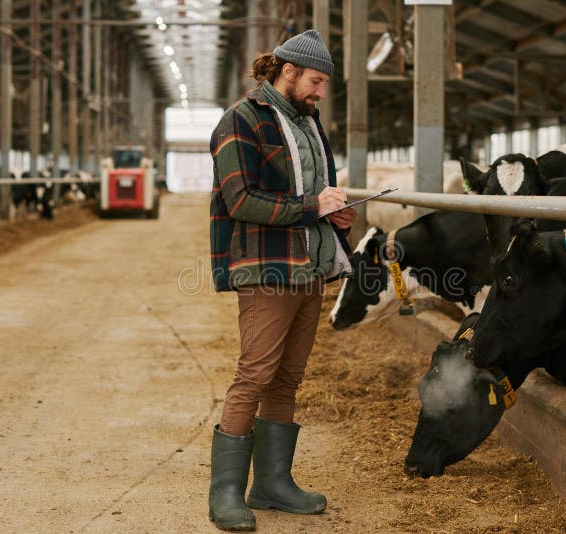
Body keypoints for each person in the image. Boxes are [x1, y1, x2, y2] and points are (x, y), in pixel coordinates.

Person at [208, 29, 355, 531]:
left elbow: (316, 192)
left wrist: (336, 214)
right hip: (267, 267)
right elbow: (240, 200)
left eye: (324, 84)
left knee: (288, 378)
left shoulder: (308, 123)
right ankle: (226, 493)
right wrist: (312, 206)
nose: (321, 93)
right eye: (315, 81)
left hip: (309, 265)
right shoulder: (241, 119)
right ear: (287, 72)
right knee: (255, 374)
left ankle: (272, 483)